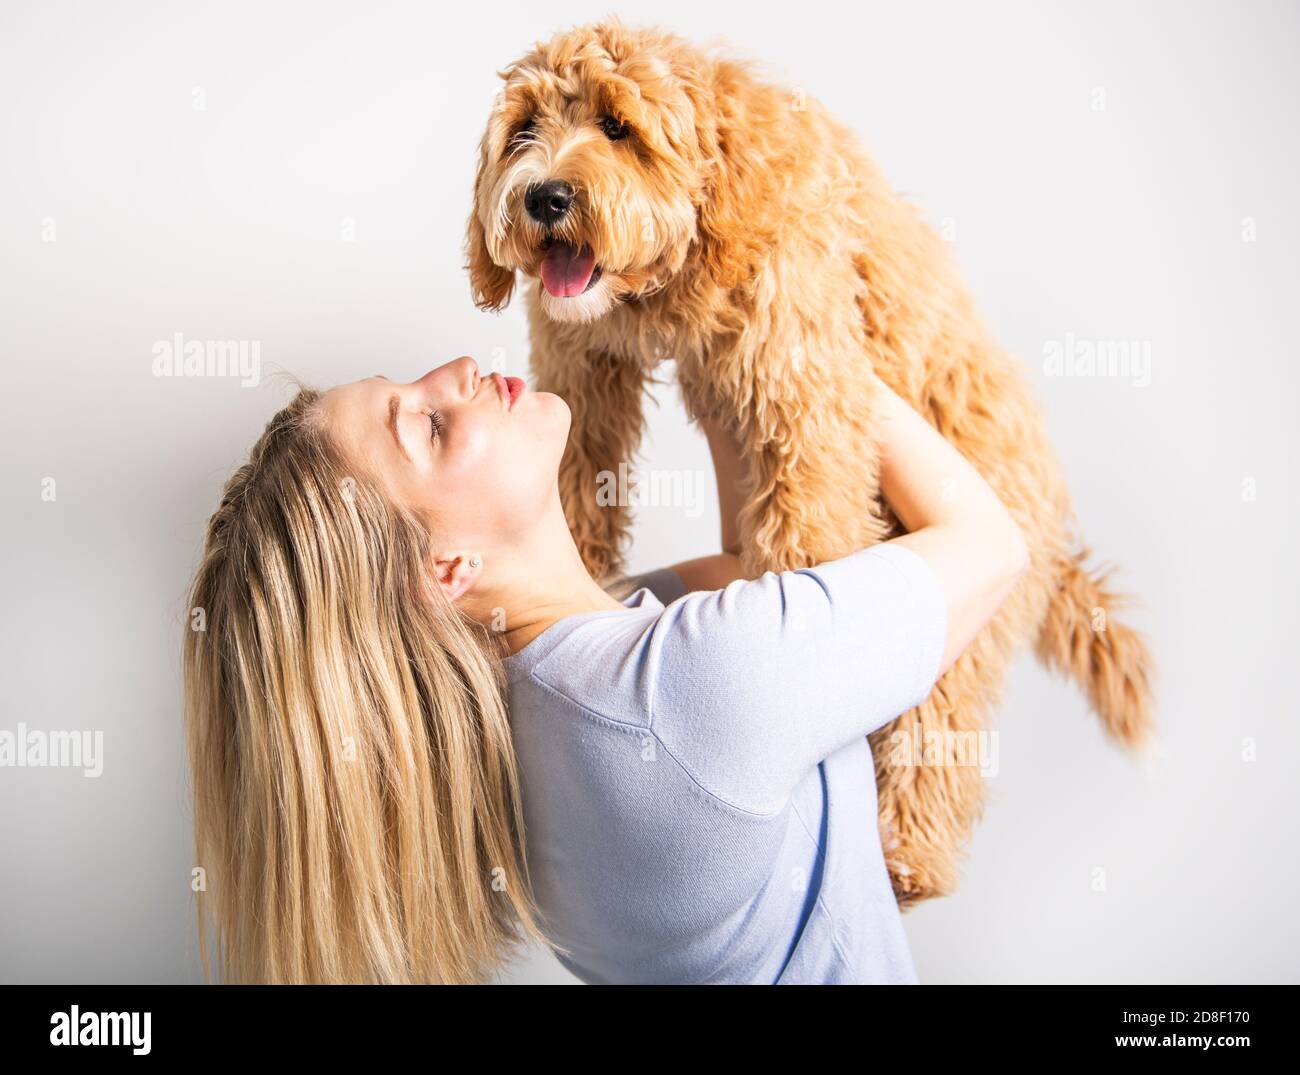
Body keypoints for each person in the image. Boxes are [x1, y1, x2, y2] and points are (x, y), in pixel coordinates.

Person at [183, 356, 1027, 984]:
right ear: (444, 569)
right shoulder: (671, 695)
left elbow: (752, 570)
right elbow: (991, 547)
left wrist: (714, 351)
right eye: (431, 427)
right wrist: (799, 338)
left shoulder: (546, 707)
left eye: (412, 381)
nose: (458, 371)